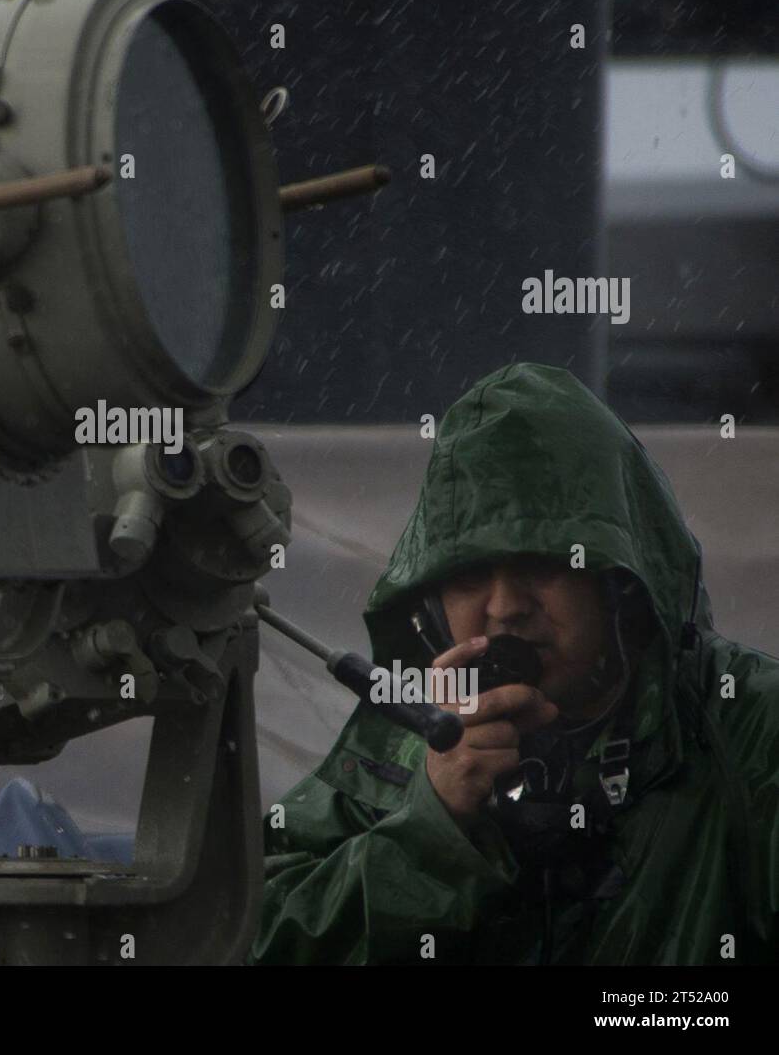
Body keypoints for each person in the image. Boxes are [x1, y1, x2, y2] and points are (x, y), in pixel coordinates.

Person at [251, 362, 779, 964]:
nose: (505, 609)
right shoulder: (401, 747)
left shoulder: (749, 731)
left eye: (544, 565)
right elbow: (244, 938)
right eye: (470, 574)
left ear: (619, 585)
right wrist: (433, 830)